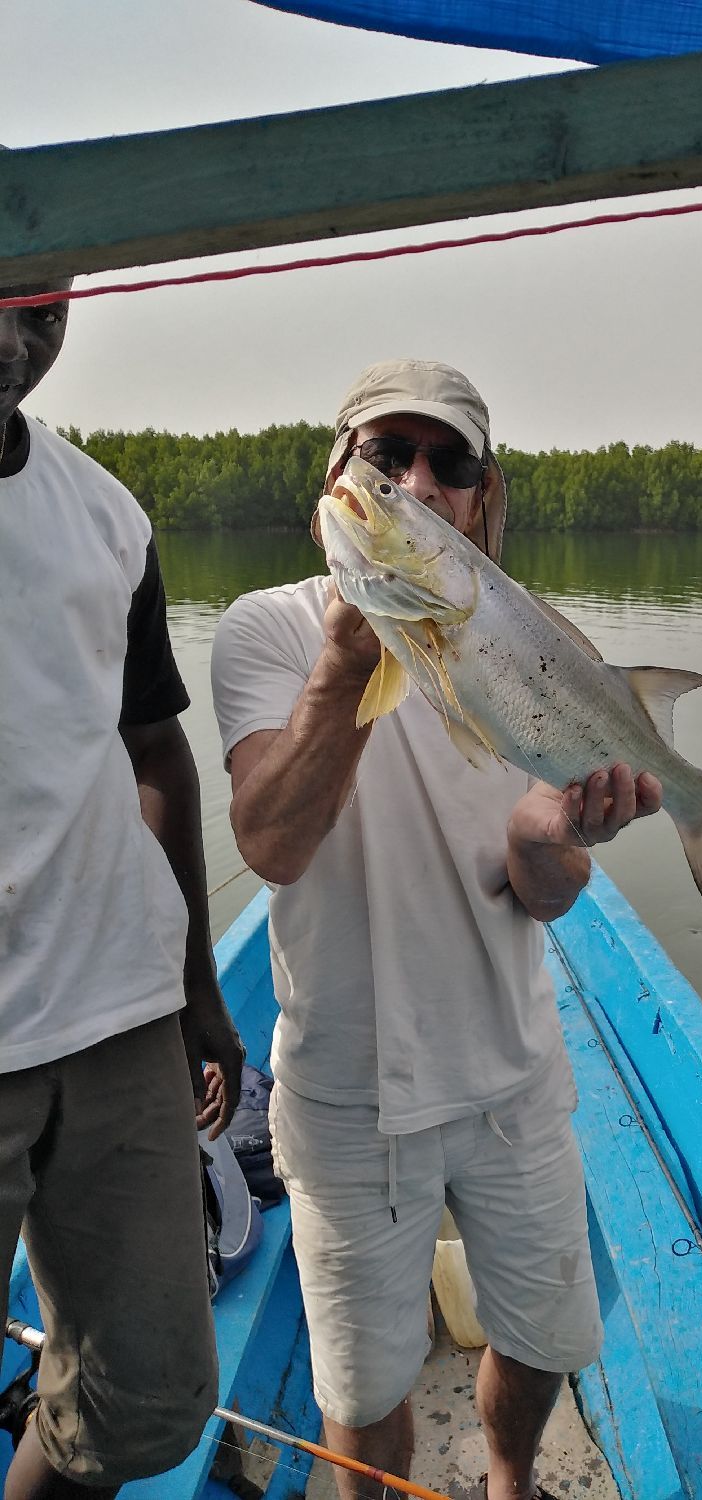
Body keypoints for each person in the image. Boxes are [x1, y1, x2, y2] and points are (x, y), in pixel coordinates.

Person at [210, 359, 663, 1500]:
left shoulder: (527, 653)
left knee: (552, 1336)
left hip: (511, 1077)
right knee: (361, 1397)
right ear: (337, 478)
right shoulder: (263, 634)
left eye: (446, 464)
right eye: (385, 456)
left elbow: (538, 886)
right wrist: (349, 663)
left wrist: (567, 832)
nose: (414, 483)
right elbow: (271, 844)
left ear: (481, 498)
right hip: (346, 1096)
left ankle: (511, 1481)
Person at [0, 277, 245, 1500]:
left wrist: (196, 989)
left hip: (116, 1016)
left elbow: (155, 751)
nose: (12, 337)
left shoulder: (105, 516)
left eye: (41, 307)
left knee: (147, 1400)